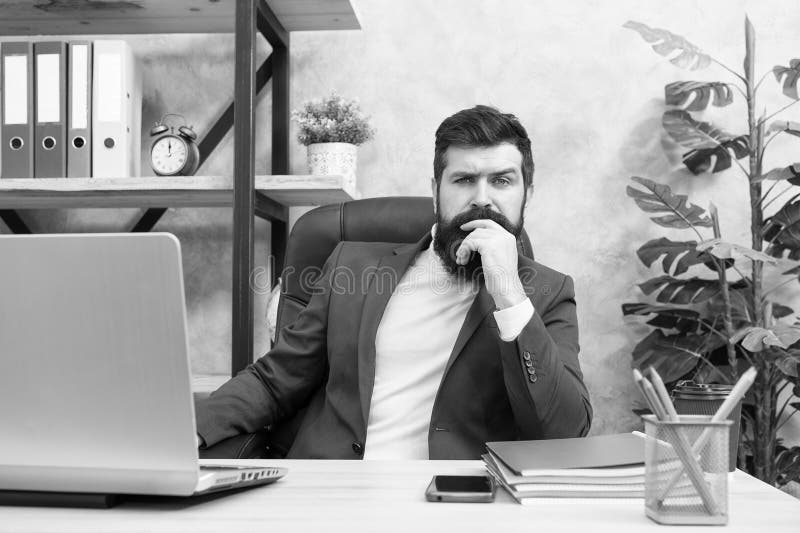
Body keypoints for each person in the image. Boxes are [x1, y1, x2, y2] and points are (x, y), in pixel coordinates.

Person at [195, 105, 592, 459]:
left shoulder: (547, 293)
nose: (482, 199)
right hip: (329, 492)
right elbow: (275, 381)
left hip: (454, 502)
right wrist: (188, 431)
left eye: (502, 181)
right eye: (464, 180)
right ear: (435, 190)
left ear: (528, 193)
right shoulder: (352, 266)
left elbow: (562, 432)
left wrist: (509, 293)